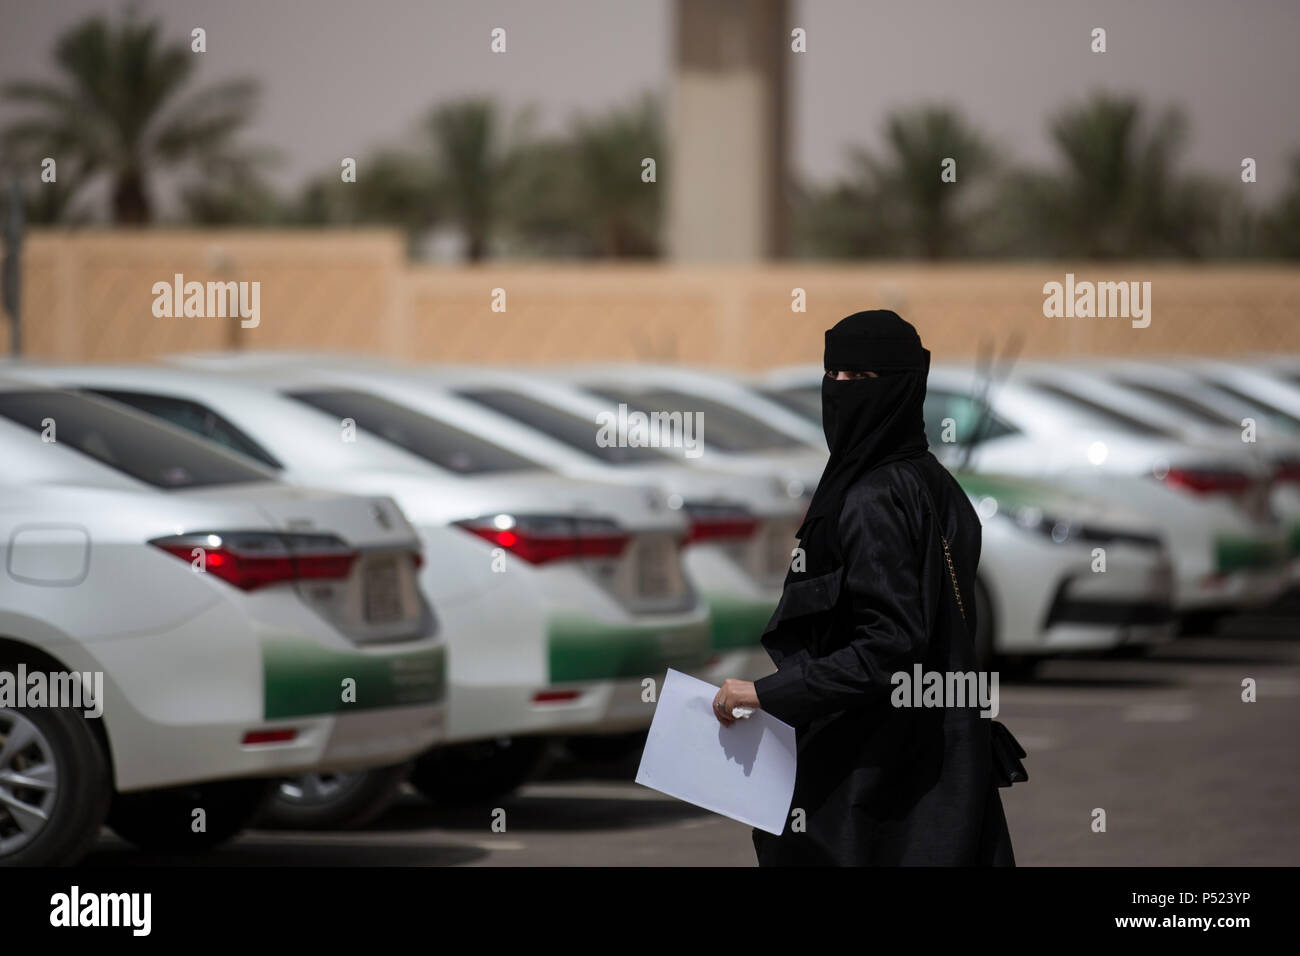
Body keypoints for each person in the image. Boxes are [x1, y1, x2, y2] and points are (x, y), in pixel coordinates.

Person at [711, 309, 1015, 866]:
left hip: (874, 785)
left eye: (862, 380)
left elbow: (889, 646)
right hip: (938, 760)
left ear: (902, 387)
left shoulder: (874, 496)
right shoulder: (934, 482)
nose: (843, 392)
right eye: (835, 377)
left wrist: (765, 694)